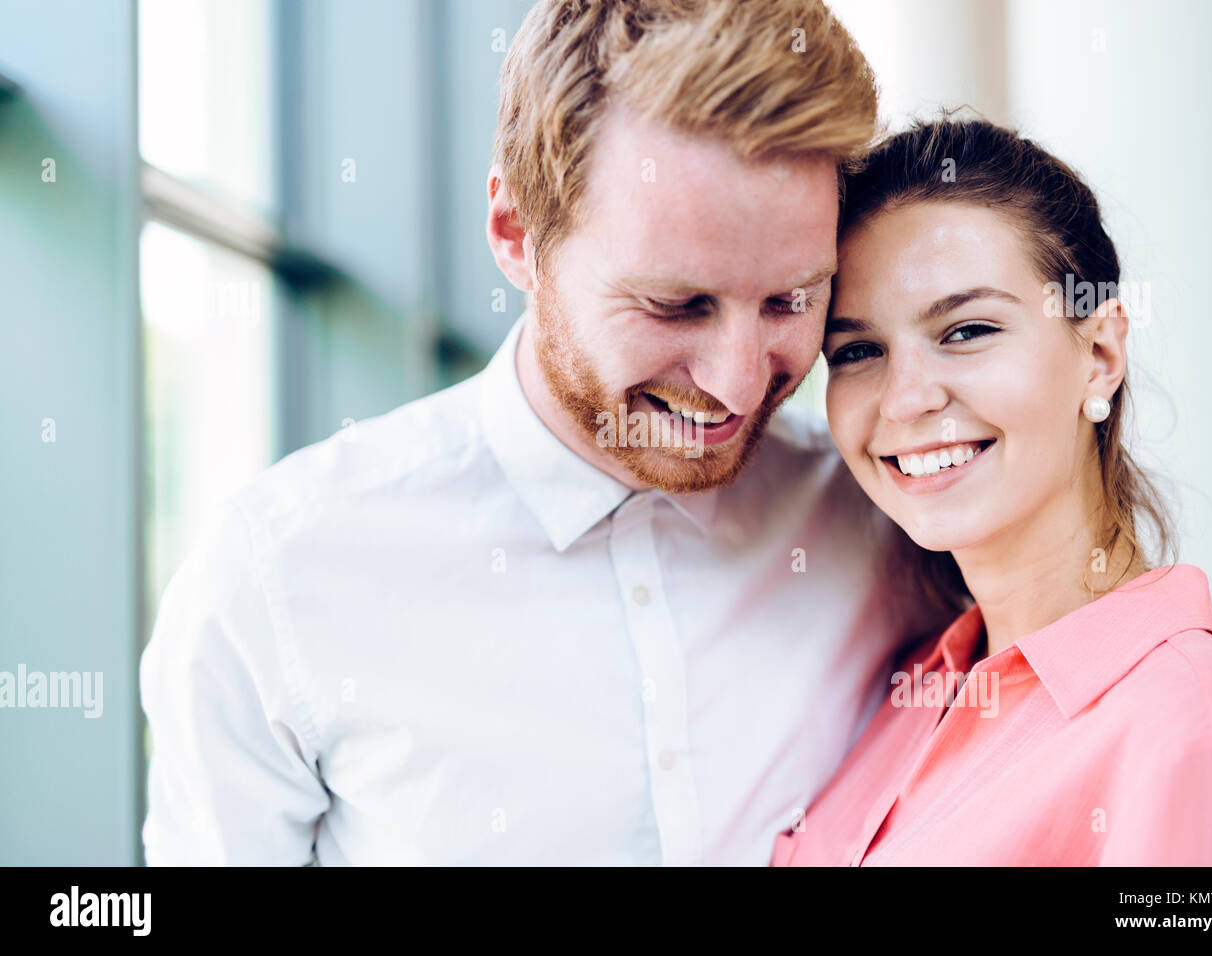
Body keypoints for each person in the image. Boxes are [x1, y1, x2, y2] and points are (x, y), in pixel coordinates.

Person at [139, 0, 945, 866]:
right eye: (676, 305)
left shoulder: (891, 522)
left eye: (789, 300)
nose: (739, 382)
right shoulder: (277, 578)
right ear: (516, 234)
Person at [772, 117, 1212, 866]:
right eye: (858, 351)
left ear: (1100, 354)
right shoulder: (910, 684)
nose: (903, 400)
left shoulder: (1196, 739)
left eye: (966, 330)